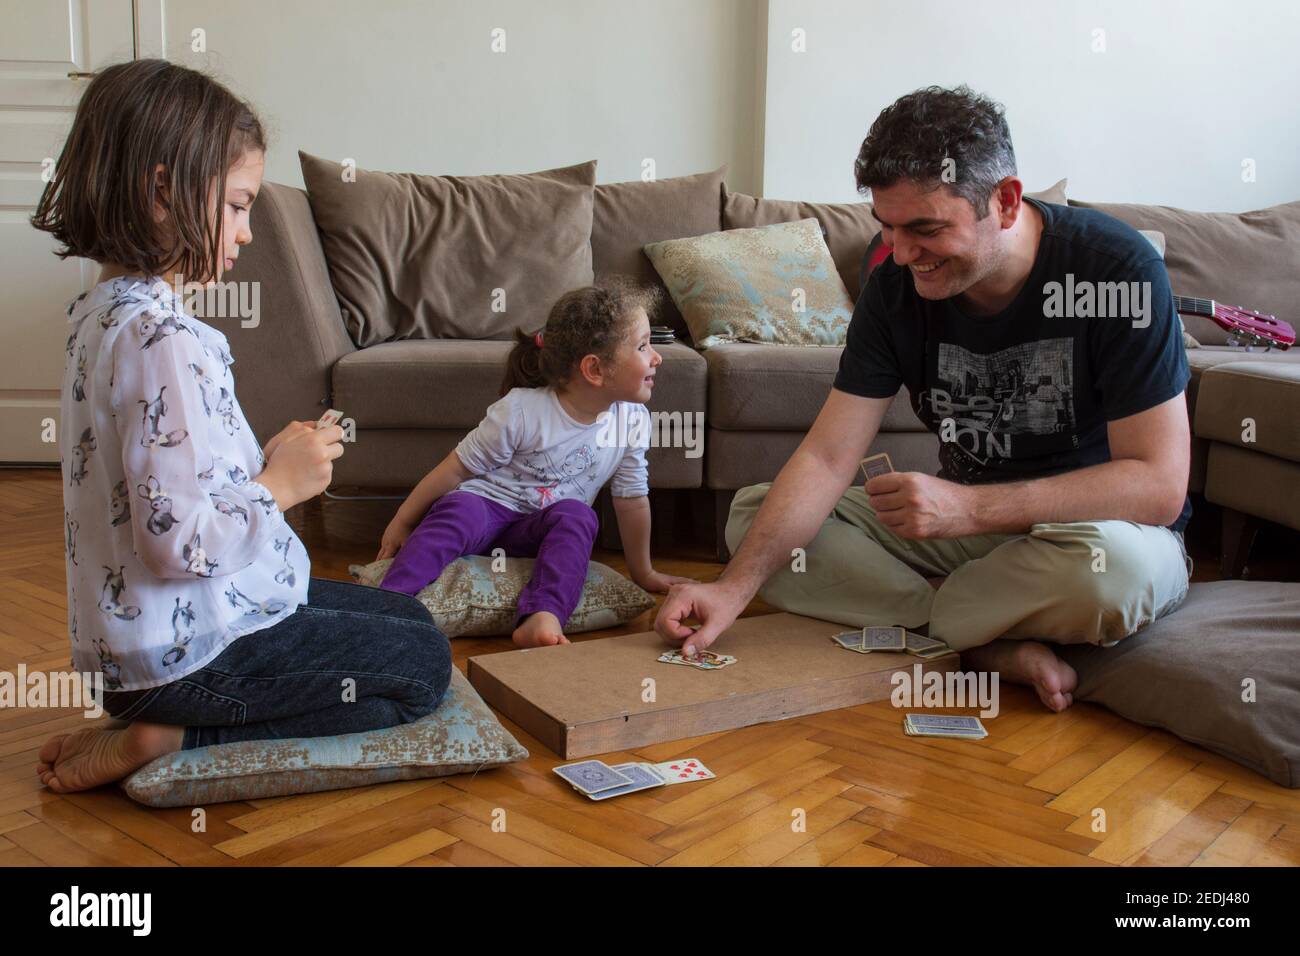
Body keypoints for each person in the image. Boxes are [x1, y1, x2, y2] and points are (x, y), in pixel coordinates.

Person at [656, 86, 1192, 712]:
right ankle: (975, 638)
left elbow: (1158, 486)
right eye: (886, 228)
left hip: (1091, 537)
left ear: (1007, 201)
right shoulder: (893, 292)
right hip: (974, 544)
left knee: (1116, 574)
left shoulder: (1115, 271)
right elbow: (828, 460)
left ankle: (938, 625)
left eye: (926, 229)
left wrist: (969, 509)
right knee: (753, 517)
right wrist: (732, 589)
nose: (902, 254)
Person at [31, 59, 451, 793]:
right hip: (186, 656)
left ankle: (148, 717)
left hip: (137, 651)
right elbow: (179, 543)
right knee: (423, 668)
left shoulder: (100, 318)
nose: (247, 232)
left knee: (405, 621)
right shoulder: (167, 340)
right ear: (162, 191)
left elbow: (156, 491)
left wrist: (267, 461)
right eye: (235, 205)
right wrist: (280, 487)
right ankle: (173, 734)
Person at [377, 280, 694, 647]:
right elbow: (455, 469)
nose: (657, 357)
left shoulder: (633, 420)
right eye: (642, 346)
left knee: (579, 517)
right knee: (460, 508)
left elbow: (632, 499)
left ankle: (542, 615)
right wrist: (403, 521)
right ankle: (389, 605)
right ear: (595, 370)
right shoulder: (522, 411)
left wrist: (644, 572)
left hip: (538, 529)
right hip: (487, 509)